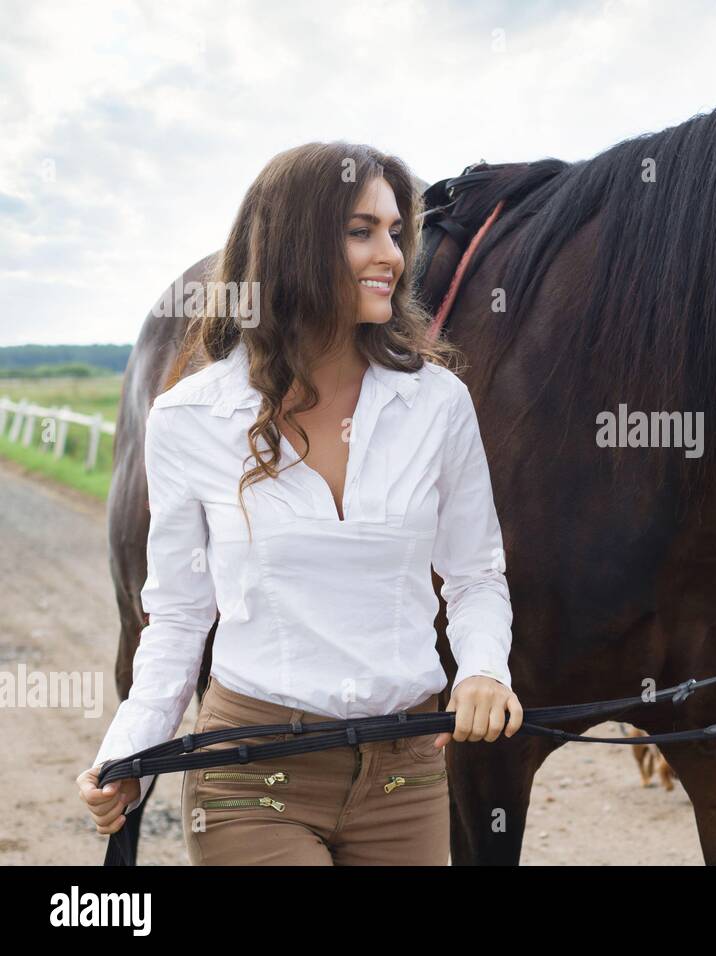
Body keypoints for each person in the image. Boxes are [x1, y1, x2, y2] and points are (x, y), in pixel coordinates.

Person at [76, 142, 522, 864]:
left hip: (404, 776)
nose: (393, 256)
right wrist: (127, 750)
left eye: (395, 232)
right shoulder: (190, 417)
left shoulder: (438, 403)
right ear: (292, 245)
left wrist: (483, 671)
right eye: (361, 231)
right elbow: (181, 616)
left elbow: (475, 577)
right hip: (251, 776)